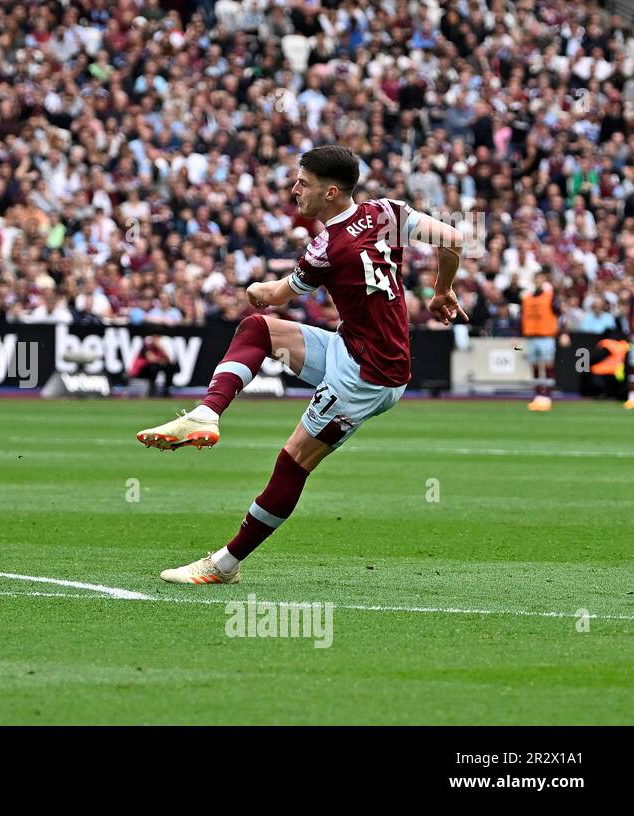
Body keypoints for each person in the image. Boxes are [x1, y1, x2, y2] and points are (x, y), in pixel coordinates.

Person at [134, 145, 466, 584]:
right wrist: (443, 290)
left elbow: (275, 295)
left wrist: (255, 286)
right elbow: (455, 239)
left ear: (331, 193)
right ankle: (206, 413)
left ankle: (224, 565)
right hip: (355, 349)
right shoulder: (387, 211)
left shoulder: (327, 246)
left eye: (302, 183)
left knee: (293, 463)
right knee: (260, 331)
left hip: (365, 378)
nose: (294, 190)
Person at [520, 270, 560, 411]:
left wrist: (564, 332)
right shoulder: (527, 298)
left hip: (546, 336)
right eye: (536, 279)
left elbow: (559, 313)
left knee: (548, 367)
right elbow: (523, 317)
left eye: (540, 279)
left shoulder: (551, 296)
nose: (538, 281)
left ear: (544, 281)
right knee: (535, 367)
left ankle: (547, 397)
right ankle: (538, 396)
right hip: (532, 336)